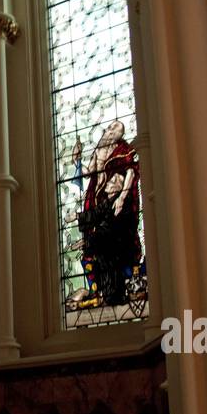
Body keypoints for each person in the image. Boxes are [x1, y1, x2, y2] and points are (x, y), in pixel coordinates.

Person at [72, 120, 143, 309]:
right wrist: (77, 161)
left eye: (114, 129)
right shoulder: (99, 149)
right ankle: (98, 289)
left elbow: (130, 173)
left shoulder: (123, 149)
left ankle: (118, 289)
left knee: (111, 243)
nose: (109, 130)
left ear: (119, 136)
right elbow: (89, 173)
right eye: (110, 127)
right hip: (96, 196)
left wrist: (123, 196)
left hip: (114, 198)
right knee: (94, 244)